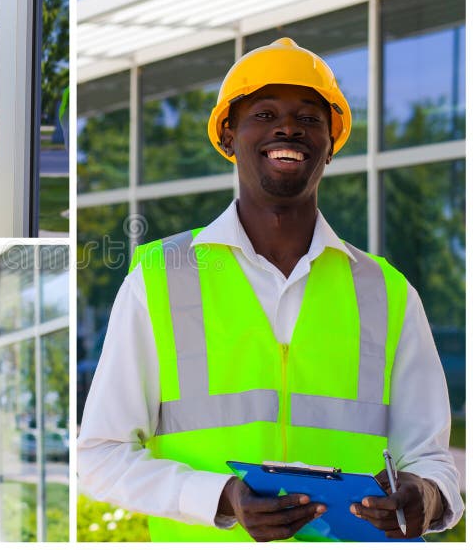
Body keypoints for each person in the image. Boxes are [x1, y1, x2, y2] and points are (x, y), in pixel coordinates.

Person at [78, 38, 463, 541]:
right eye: (264, 113)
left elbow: (433, 461)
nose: (288, 127)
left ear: (329, 146)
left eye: (309, 117)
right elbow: (99, 455)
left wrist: (428, 496)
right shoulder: (159, 279)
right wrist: (222, 498)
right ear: (229, 137)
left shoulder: (388, 293)